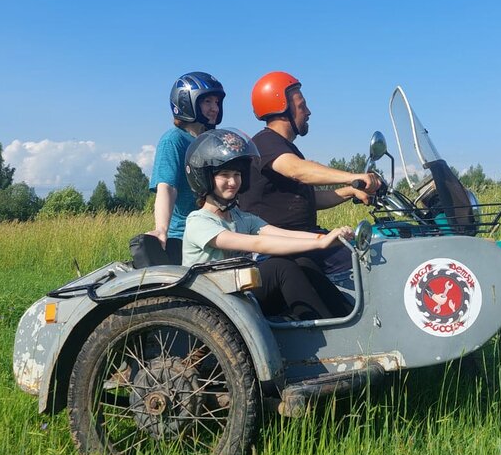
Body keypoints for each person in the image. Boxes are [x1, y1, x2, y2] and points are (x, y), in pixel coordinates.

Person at [183, 129, 355, 321]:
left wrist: (328, 238)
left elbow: (282, 234)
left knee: (303, 262)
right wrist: (320, 243)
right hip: (213, 302)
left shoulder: (241, 217)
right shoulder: (199, 222)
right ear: (205, 178)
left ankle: (348, 318)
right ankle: (325, 330)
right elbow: (257, 244)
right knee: (280, 267)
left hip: (236, 294)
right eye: (224, 175)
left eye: (237, 174)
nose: (233, 182)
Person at [238, 71, 381, 273]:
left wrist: (350, 191)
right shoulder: (265, 143)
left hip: (303, 240)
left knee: (375, 243)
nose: (308, 112)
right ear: (282, 109)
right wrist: (354, 176)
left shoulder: (283, 146)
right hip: (281, 248)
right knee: (369, 260)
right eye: (301, 106)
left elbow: (307, 199)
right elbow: (297, 170)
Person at [146, 71, 225, 264]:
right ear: (186, 102)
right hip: (186, 238)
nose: (214, 108)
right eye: (207, 102)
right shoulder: (174, 140)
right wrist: (161, 230)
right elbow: (167, 187)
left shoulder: (212, 141)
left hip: (218, 230)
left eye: (217, 102)